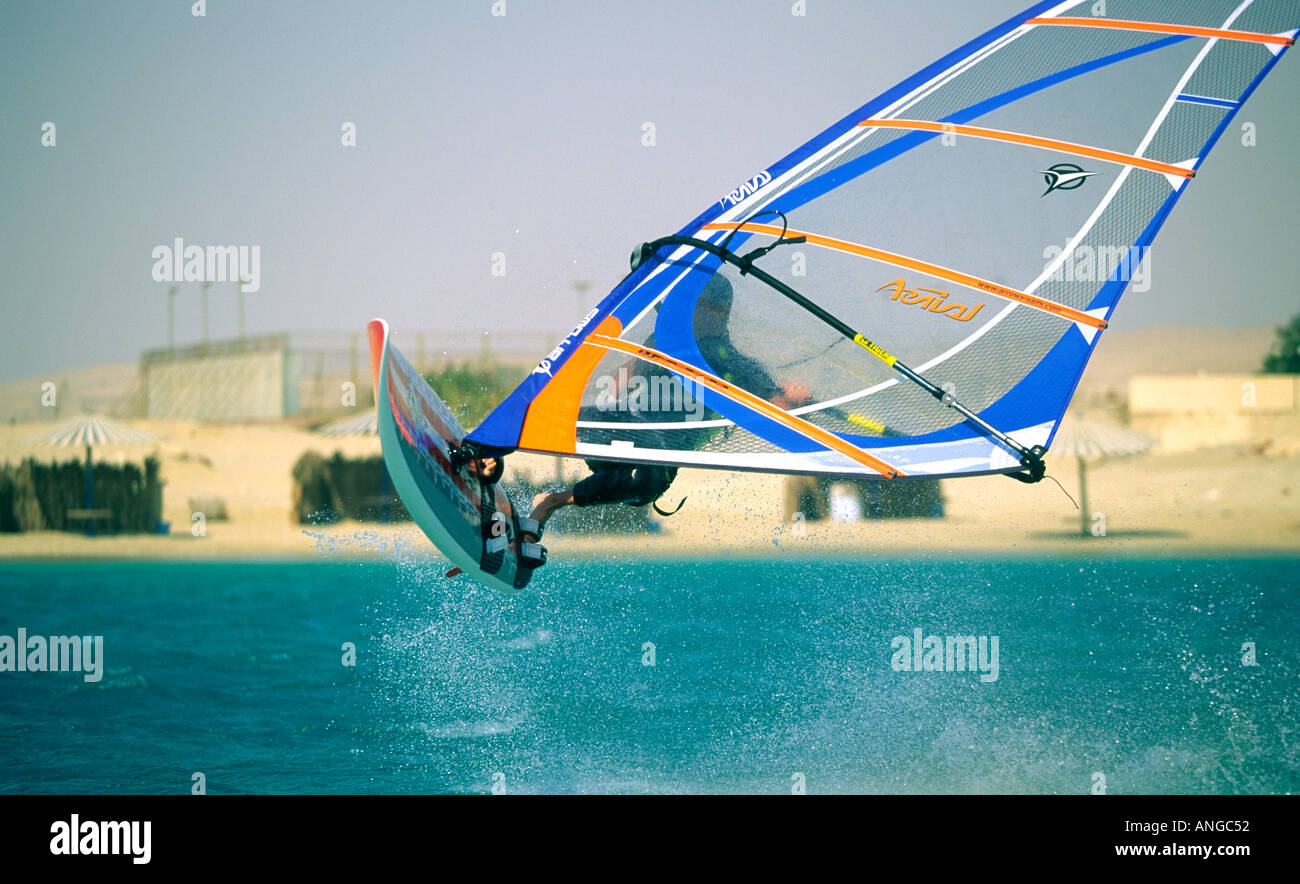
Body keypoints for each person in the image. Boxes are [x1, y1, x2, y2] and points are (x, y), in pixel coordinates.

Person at [525, 273, 810, 538]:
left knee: (643, 484)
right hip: (626, 425)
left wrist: (794, 397)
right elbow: (620, 379)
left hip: (662, 449)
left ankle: (551, 502)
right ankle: (487, 458)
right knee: (552, 418)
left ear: (719, 311)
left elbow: (779, 407)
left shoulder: (727, 360)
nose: (678, 315)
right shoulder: (663, 341)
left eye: (692, 307)